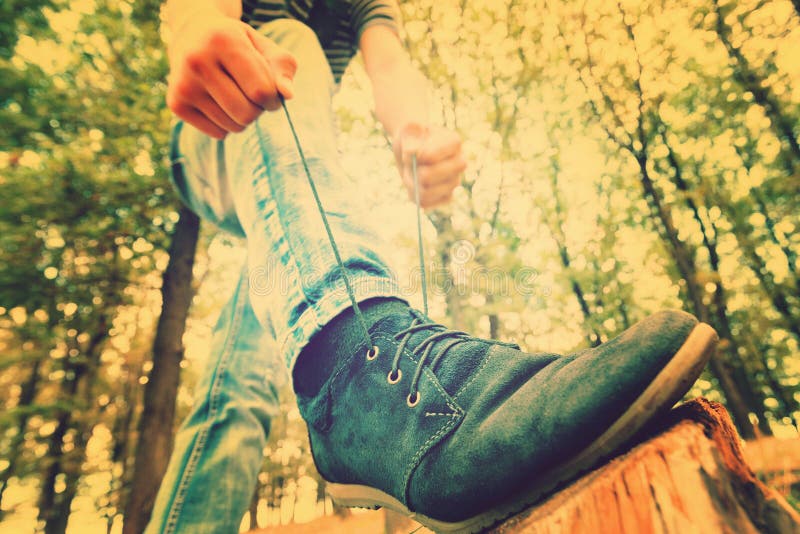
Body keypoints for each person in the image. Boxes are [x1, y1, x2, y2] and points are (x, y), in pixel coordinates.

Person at [147, 1, 719, 532]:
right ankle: (351, 364)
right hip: (213, 128)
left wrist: (414, 132)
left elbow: (389, 63)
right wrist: (198, 26)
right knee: (290, 40)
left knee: (243, 374)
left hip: (287, 183)